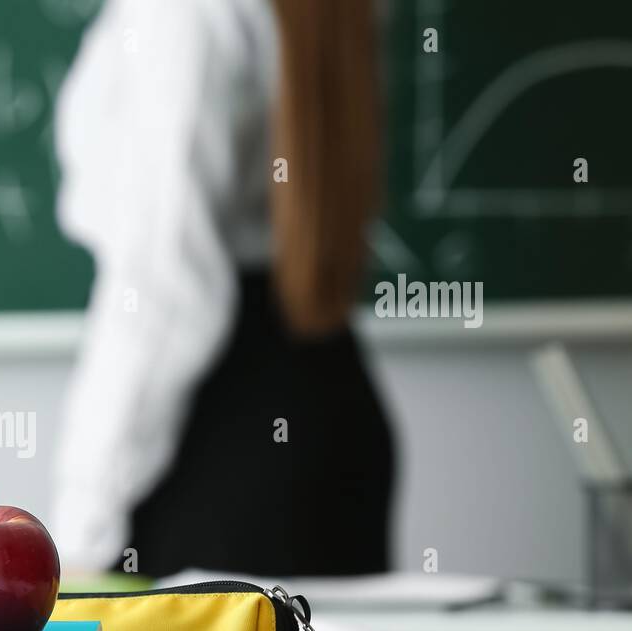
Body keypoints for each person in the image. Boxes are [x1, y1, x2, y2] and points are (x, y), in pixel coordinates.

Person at [51, 0, 394, 579]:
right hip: (323, 404)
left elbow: (166, 285)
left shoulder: (177, 14)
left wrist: (84, 525)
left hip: (214, 440)